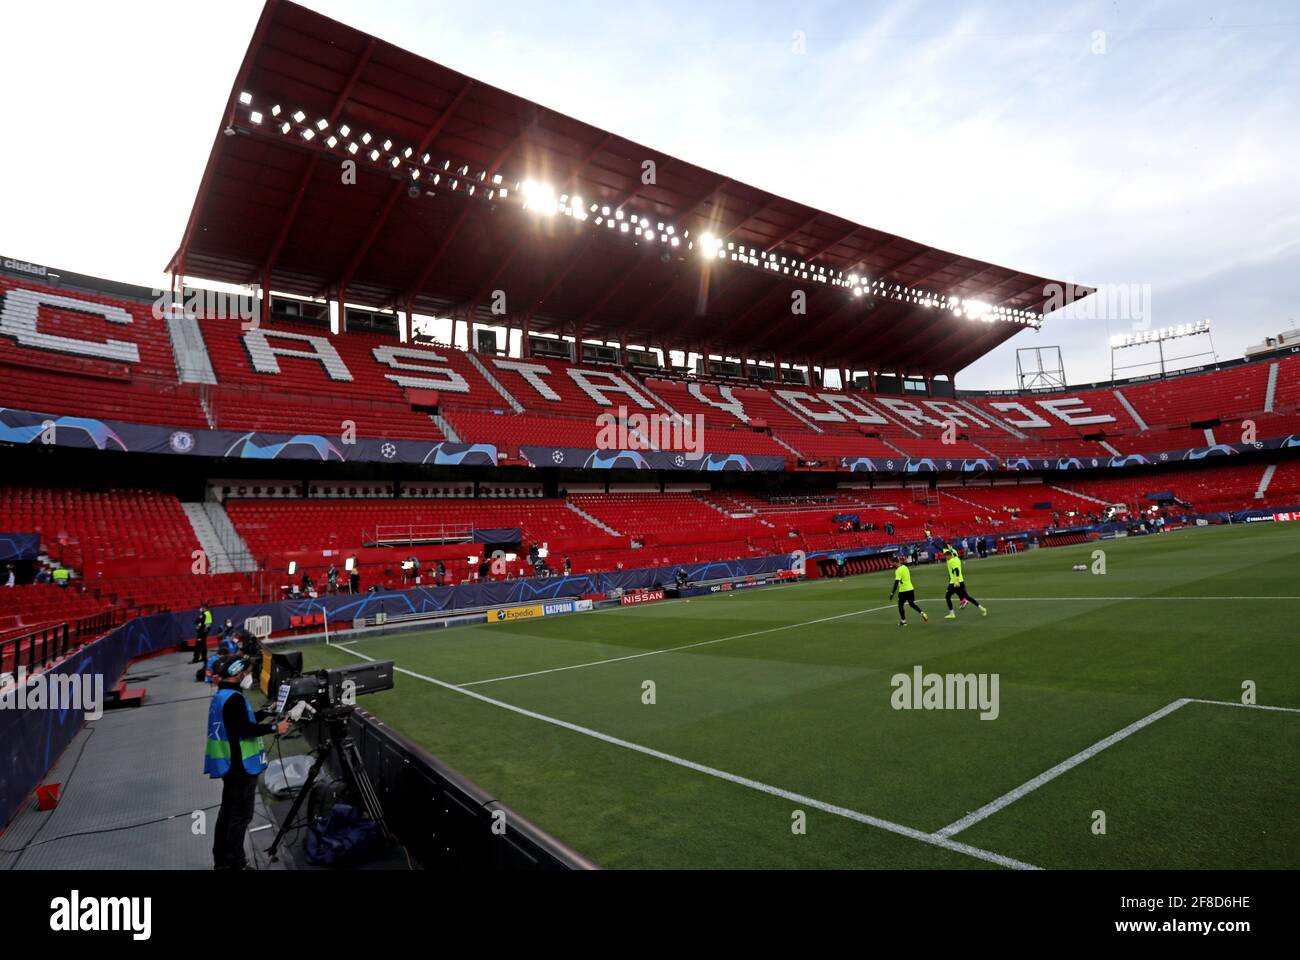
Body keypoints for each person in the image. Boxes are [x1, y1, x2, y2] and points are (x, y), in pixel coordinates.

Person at [204, 653, 289, 870]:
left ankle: (222, 862)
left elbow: (240, 722)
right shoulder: (233, 698)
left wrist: (266, 713)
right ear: (236, 673)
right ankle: (236, 864)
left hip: (229, 764)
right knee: (240, 816)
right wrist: (274, 727)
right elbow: (243, 729)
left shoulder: (224, 694)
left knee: (228, 813)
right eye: (247, 672)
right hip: (240, 766)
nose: (248, 675)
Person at [942, 547, 987, 619]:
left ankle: (952, 614)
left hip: (954, 583)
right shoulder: (956, 559)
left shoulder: (951, 561)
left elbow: (956, 570)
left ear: (950, 555)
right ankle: (982, 608)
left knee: (947, 597)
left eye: (946, 556)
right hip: (960, 582)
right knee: (967, 597)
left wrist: (956, 581)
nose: (945, 557)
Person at [889, 554, 928, 626]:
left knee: (900, 605)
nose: (891, 564)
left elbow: (896, 582)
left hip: (903, 590)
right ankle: (922, 613)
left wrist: (892, 593)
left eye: (891, 562)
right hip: (910, 588)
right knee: (912, 604)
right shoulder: (905, 567)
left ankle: (903, 621)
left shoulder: (898, 571)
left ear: (895, 562)